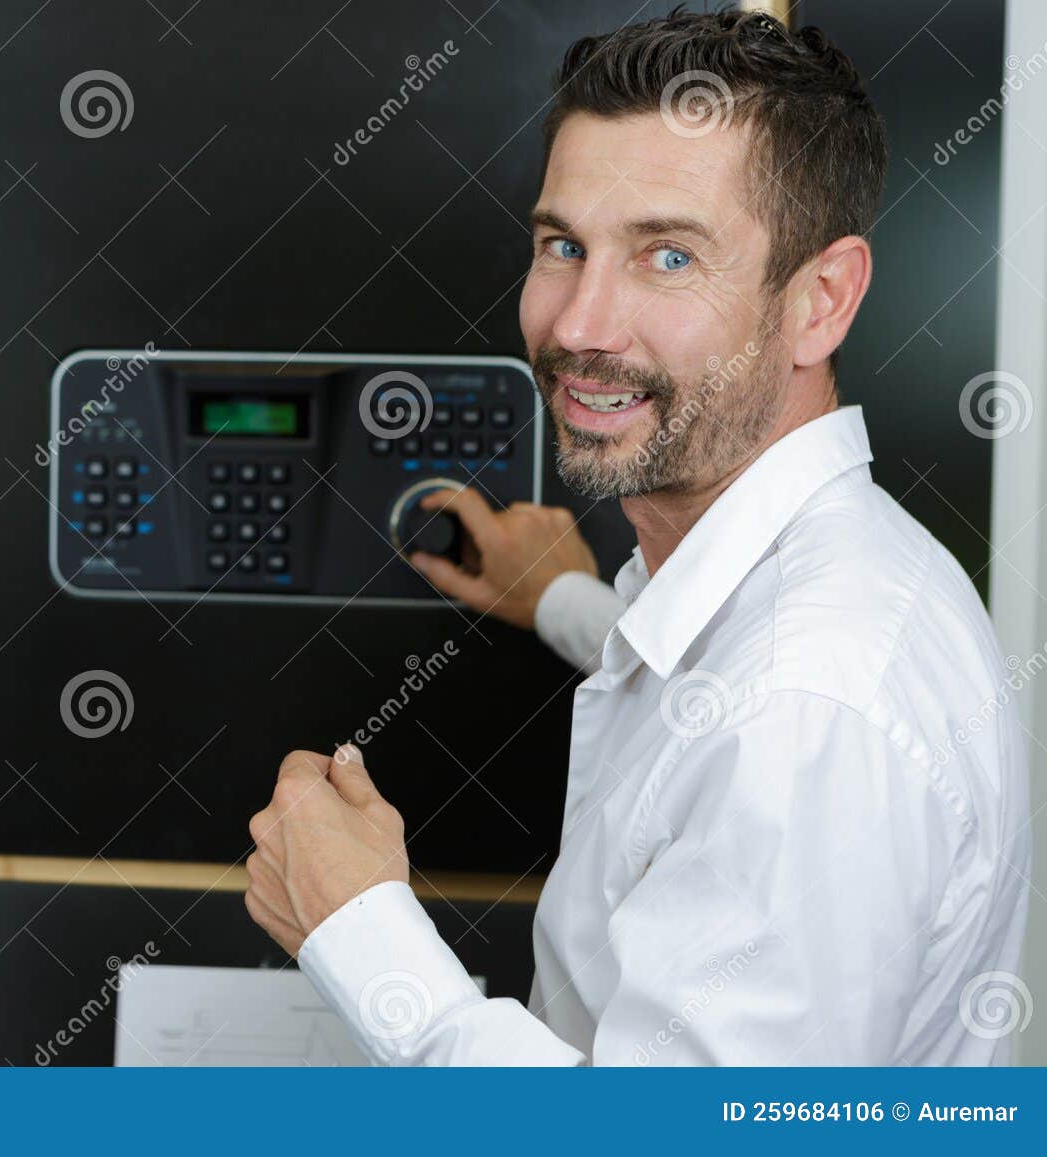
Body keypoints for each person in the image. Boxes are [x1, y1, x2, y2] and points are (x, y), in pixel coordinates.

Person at [245, 7, 1031, 1065]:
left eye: (667, 256)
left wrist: (359, 926)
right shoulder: (820, 582)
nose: (578, 325)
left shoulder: (806, 711)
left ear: (820, 300)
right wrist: (571, 603)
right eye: (562, 245)